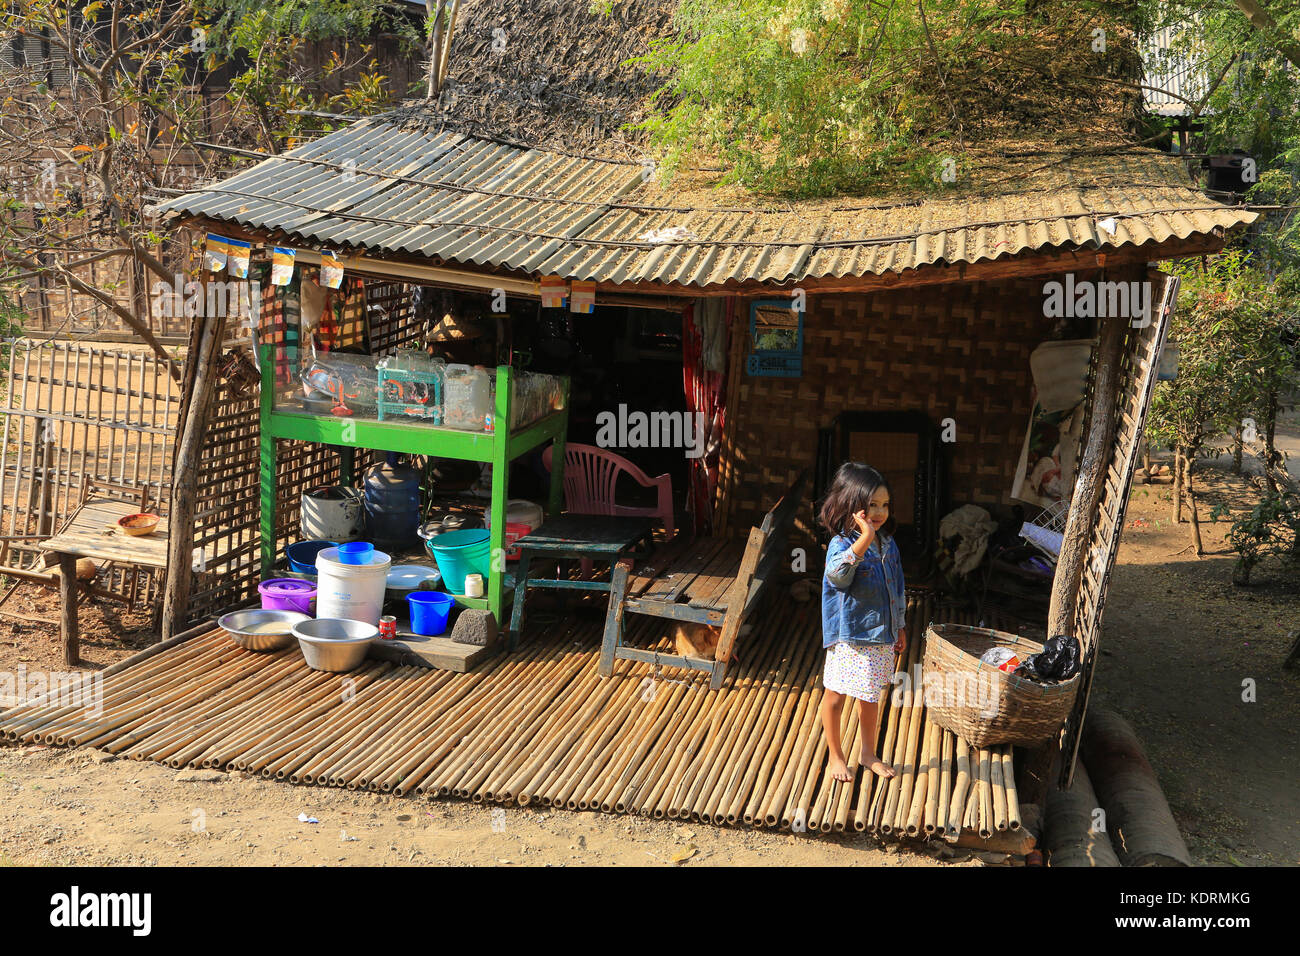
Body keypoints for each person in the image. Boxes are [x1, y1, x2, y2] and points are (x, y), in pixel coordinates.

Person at [819, 462, 907, 781]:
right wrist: (865, 536)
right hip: (849, 638)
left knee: (870, 696)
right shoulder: (842, 544)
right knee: (836, 695)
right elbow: (837, 578)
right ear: (852, 505)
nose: (880, 512)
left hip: (880, 636)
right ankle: (835, 755)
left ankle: (868, 753)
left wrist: (900, 626)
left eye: (885, 504)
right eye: (872, 505)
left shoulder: (889, 544)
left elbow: (897, 586)